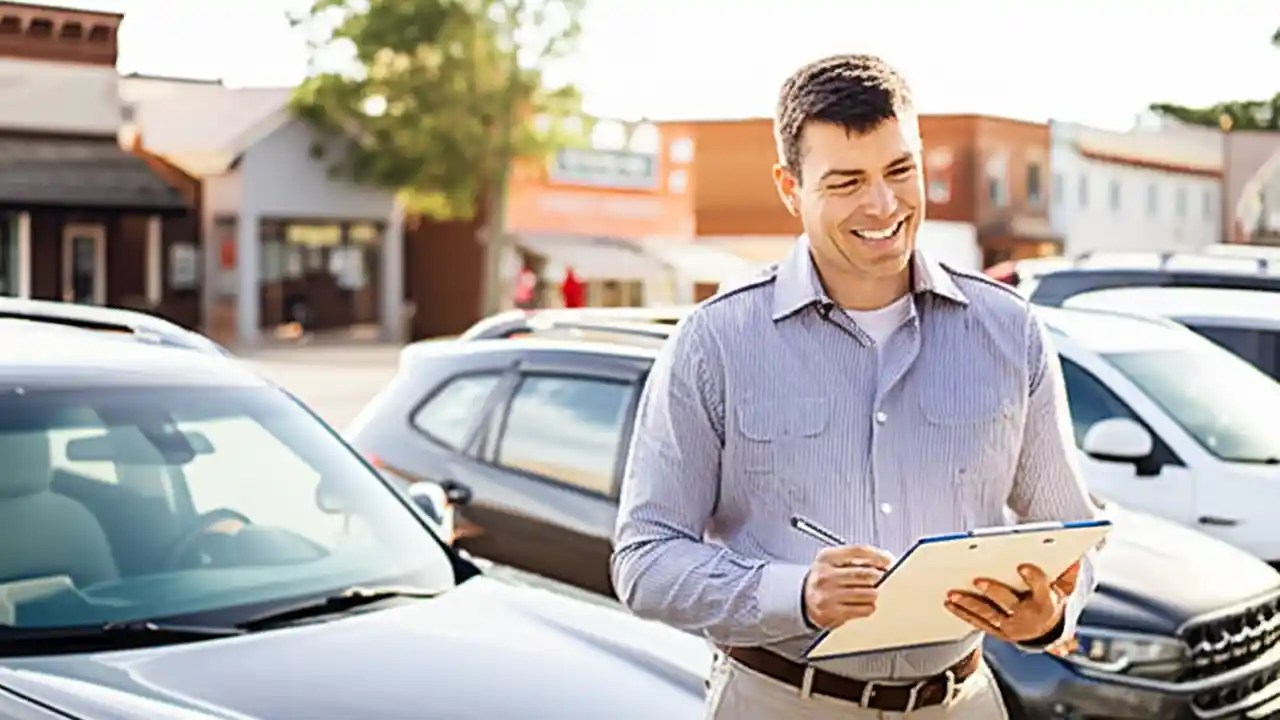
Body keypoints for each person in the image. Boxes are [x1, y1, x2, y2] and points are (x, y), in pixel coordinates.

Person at [610, 53, 1102, 719]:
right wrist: (795, 592)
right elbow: (644, 562)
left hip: (963, 702)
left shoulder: (1010, 331)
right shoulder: (716, 341)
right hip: (780, 702)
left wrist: (1049, 617)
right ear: (790, 188)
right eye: (846, 181)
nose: (883, 204)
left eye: (901, 170)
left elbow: (1070, 534)